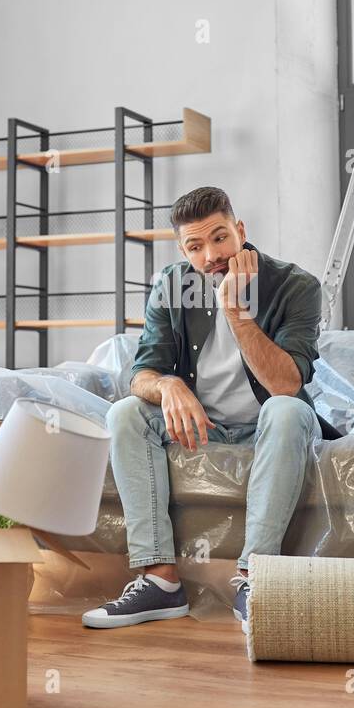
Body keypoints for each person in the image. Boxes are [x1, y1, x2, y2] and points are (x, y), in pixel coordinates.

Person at [81, 186, 338, 633]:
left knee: (290, 410)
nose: (211, 255)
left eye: (220, 238)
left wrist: (236, 313)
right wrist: (168, 384)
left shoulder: (296, 286)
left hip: (269, 427)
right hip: (204, 427)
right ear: (183, 250)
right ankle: (159, 581)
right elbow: (141, 374)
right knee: (124, 413)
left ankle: (254, 578)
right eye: (195, 246)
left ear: (240, 231)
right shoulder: (172, 285)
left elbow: (286, 384)